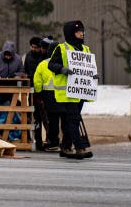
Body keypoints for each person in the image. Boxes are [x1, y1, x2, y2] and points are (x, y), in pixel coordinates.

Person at [48, 20, 93, 160]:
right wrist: (62, 69)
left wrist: (93, 75)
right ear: (71, 33)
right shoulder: (62, 48)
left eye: (82, 31)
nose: (82, 34)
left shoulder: (85, 49)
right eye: (78, 31)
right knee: (74, 119)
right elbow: (51, 64)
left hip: (80, 91)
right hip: (67, 92)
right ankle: (80, 147)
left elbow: (88, 68)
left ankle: (66, 147)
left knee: (70, 121)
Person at [33, 38, 64, 152]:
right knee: (65, 119)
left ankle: (53, 142)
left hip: (49, 95)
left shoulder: (43, 64)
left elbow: (37, 82)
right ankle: (66, 142)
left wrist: (39, 94)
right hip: (63, 94)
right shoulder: (64, 63)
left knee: (53, 119)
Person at [25, 35, 51, 150]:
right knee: (36, 118)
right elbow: (25, 70)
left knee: (46, 117)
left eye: (36, 47)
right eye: (32, 47)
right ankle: (39, 142)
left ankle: (50, 140)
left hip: (44, 91)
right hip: (33, 91)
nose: (34, 49)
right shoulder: (28, 56)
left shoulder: (45, 56)